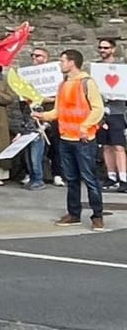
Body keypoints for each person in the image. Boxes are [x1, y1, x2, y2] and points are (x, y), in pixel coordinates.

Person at [36, 49, 106, 230]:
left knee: (89, 178)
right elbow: (58, 111)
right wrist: (43, 116)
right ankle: (74, 214)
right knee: (72, 179)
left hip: (83, 139)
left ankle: (97, 215)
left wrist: (85, 126)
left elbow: (98, 109)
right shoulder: (63, 84)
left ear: (71, 62)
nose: (60, 64)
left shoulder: (87, 82)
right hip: (66, 137)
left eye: (63, 61)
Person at [26, 47, 63, 186]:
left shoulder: (55, 74)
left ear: (46, 58)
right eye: (33, 55)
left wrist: (45, 99)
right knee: (34, 145)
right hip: (34, 114)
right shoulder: (28, 75)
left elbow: (59, 96)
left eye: (38, 56)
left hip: (52, 113)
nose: (34, 58)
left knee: (55, 145)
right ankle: (33, 174)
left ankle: (57, 174)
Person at [94, 39, 127, 193]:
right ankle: (111, 176)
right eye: (100, 47)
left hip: (117, 112)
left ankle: (123, 178)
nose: (102, 50)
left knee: (118, 146)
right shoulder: (96, 68)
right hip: (101, 111)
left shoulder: (121, 68)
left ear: (113, 49)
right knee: (106, 146)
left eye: (106, 48)